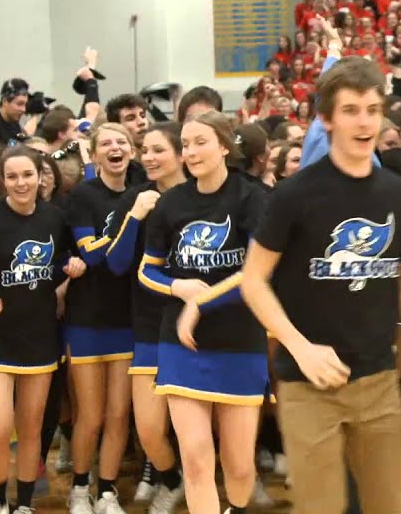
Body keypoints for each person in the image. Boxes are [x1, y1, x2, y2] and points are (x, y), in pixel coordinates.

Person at [239, 56, 401, 514]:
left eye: (372, 110)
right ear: (326, 119)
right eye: (351, 109)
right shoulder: (294, 195)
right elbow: (253, 281)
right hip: (308, 385)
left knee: (389, 505)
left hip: (378, 381)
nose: (364, 121)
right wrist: (300, 347)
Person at [0, 145, 86, 514]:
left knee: (31, 429)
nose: (21, 183)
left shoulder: (56, 218)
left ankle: (22, 504)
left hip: (39, 337)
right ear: (2, 180)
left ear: (41, 177)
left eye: (27, 175)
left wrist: (72, 266)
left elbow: (62, 262)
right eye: (12, 176)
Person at [140, 113, 269, 514]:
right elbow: (148, 270)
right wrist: (177, 288)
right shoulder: (171, 203)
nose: (191, 152)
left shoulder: (253, 198)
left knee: (239, 464)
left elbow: (256, 272)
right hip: (182, 343)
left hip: (240, 338)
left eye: (200, 142)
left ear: (224, 147)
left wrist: (202, 301)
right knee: (195, 457)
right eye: (186, 144)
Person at [103, 122, 187, 514]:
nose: (149, 158)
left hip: (202, 328)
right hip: (151, 325)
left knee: (205, 428)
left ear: (182, 153)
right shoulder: (136, 199)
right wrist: (134, 216)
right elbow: (117, 264)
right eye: (146, 150)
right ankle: (173, 479)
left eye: (159, 150)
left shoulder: (205, 198)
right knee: (150, 429)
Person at [64, 123, 137, 514]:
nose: (114, 147)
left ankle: (107, 490)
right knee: (90, 415)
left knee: (119, 413)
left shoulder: (143, 192)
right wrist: (132, 226)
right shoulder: (83, 196)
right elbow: (94, 256)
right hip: (87, 318)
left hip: (128, 318)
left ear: (132, 150)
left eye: (121, 142)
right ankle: (79, 488)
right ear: (93, 155)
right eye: (105, 143)